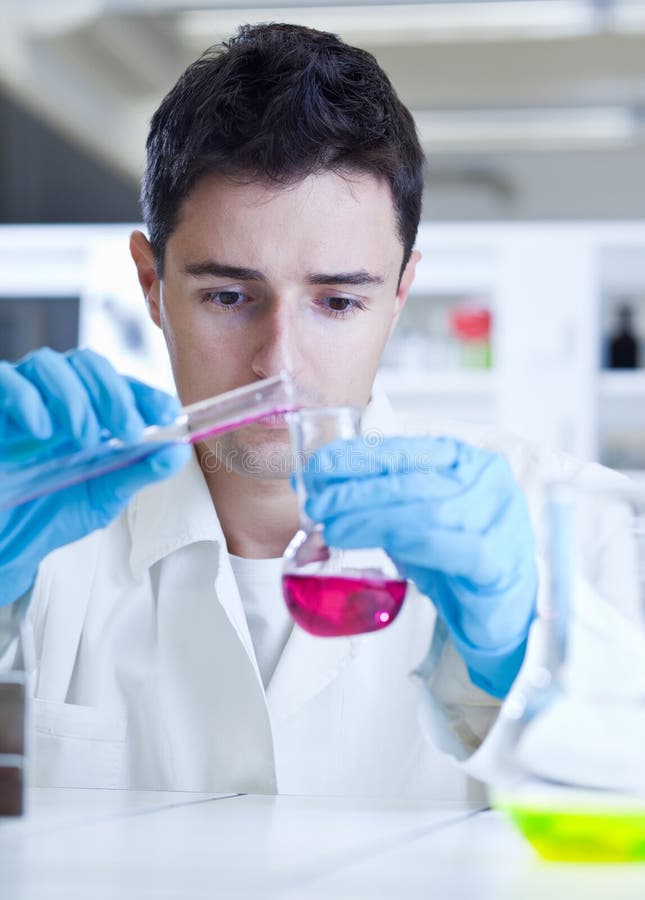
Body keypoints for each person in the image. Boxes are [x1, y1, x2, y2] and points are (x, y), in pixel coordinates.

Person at [0, 23, 636, 799]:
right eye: (227, 296)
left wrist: (523, 652)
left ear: (398, 294)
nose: (279, 363)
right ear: (151, 285)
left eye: (336, 302)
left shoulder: (564, 523)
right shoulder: (43, 536)